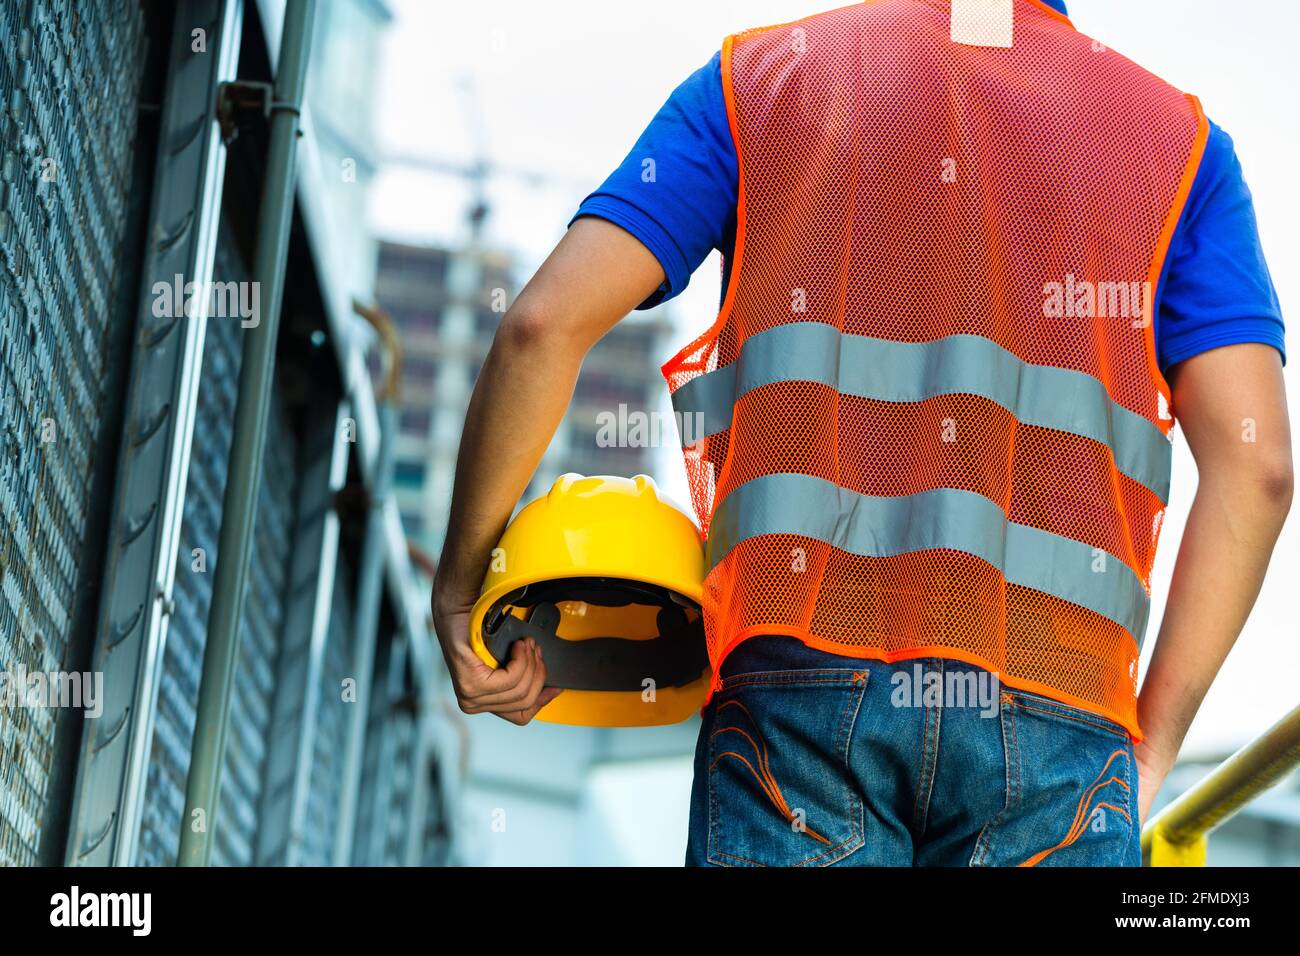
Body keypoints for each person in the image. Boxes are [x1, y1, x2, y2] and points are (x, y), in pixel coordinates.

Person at [432, 0, 1291, 866]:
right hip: (1061, 716)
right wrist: (1154, 742)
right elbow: (1258, 469)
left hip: (800, 691)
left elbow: (540, 326)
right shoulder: (1180, 149)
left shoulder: (761, 79)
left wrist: (463, 591)